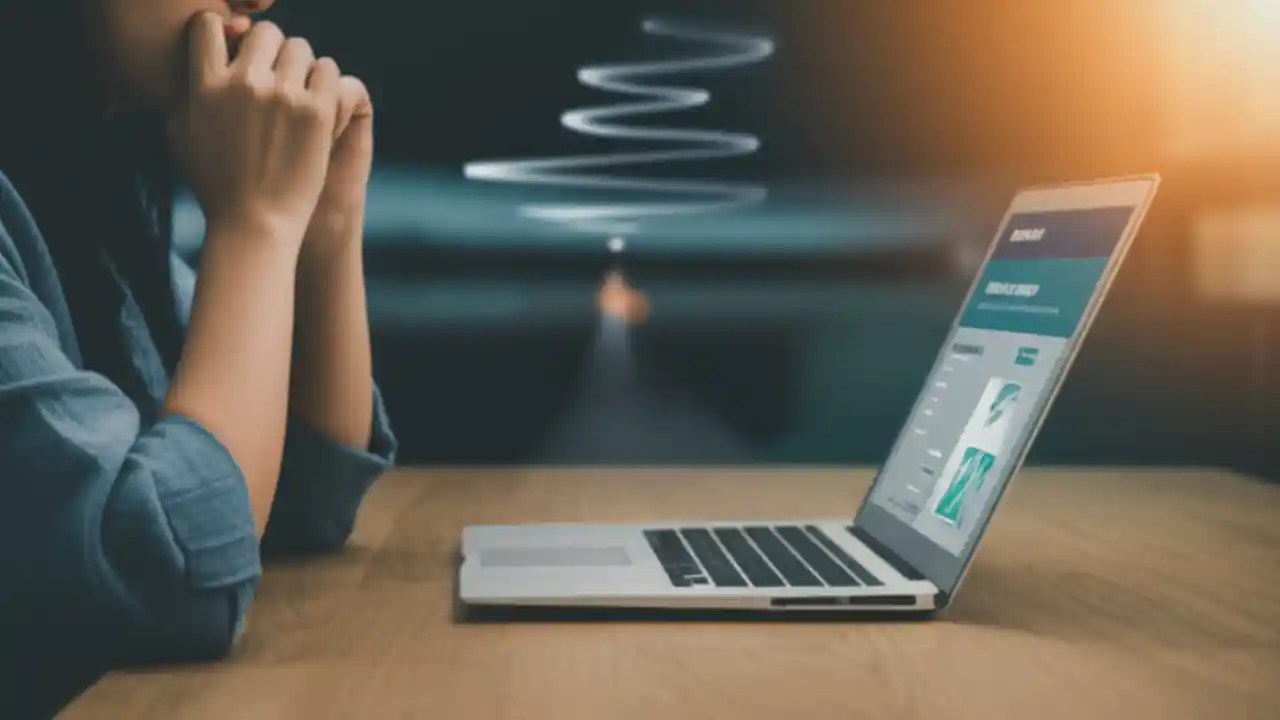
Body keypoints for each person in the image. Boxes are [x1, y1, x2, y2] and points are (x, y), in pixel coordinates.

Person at [0, 1, 396, 715]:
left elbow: (297, 497)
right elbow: (169, 573)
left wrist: (322, 225)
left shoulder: (94, 170)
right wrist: (257, 224)